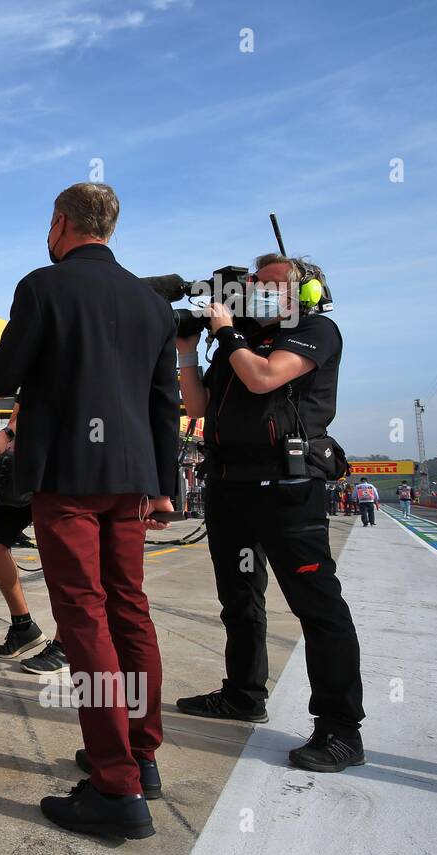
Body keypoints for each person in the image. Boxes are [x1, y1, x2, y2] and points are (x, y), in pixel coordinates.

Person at [0, 182, 177, 839]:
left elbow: (0, 375)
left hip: (66, 474)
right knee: (130, 607)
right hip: (129, 479)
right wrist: (164, 485)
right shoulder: (152, 305)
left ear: (62, 222)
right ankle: (141, 754)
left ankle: (115, 786)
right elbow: (163, 404)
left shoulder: (43, 286)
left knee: (84, 619)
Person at [175, 253, 365, 773]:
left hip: (288, 486)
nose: (256, 288)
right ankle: (242, 694)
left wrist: (227, 331)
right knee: (238, 597)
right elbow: (195, 408)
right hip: (230, 485)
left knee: (317, 605)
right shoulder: (240, 340)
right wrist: (189, 353)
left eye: (271, 283)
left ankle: (340, 728)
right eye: (255, 281)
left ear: (304, 294)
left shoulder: (316, 330)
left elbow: (263, 379)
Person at [0, 402, 47, 659]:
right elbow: (23, 409)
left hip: (57, 466)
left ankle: (66, 644)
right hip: (25, 468)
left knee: (63, 553)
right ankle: (23, 626)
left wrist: (7, 434)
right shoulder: (30, 369)